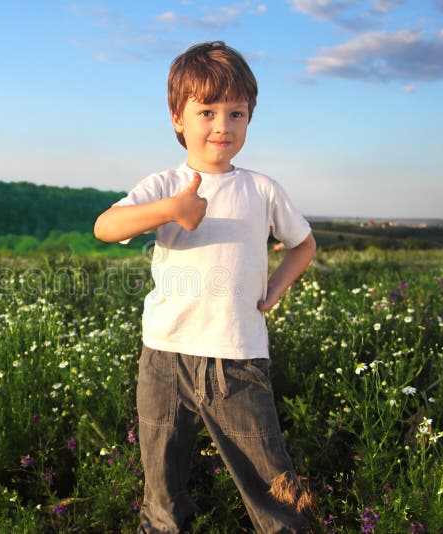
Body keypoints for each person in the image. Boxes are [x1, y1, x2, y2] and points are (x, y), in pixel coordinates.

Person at [93, 41, 317, 533]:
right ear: (178, 117)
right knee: (162, 483)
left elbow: (303, 245)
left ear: (249, 119)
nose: (222, 125)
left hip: (236, 359)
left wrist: (275, 288)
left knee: (270, 482)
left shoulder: (262, 189)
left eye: (236, 113)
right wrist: (172, 209)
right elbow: (106, 227)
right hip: (164, 357)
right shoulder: (165, 183)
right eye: (207, 111)